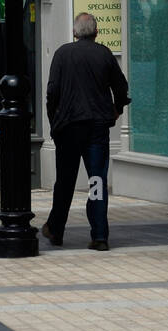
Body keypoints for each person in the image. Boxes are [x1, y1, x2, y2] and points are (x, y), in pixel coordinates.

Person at [40, 13, 130, 251]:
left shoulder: (62, 54)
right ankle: (100, 234)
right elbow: (121, 87)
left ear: (74, 32)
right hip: (97, 127)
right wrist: (117, 108)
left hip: (68, 127)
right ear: (96, 32)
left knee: (65, 182)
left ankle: (56, 229)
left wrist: (54, 122)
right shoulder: (104, 54)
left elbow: (52, 93)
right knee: (97, 180)